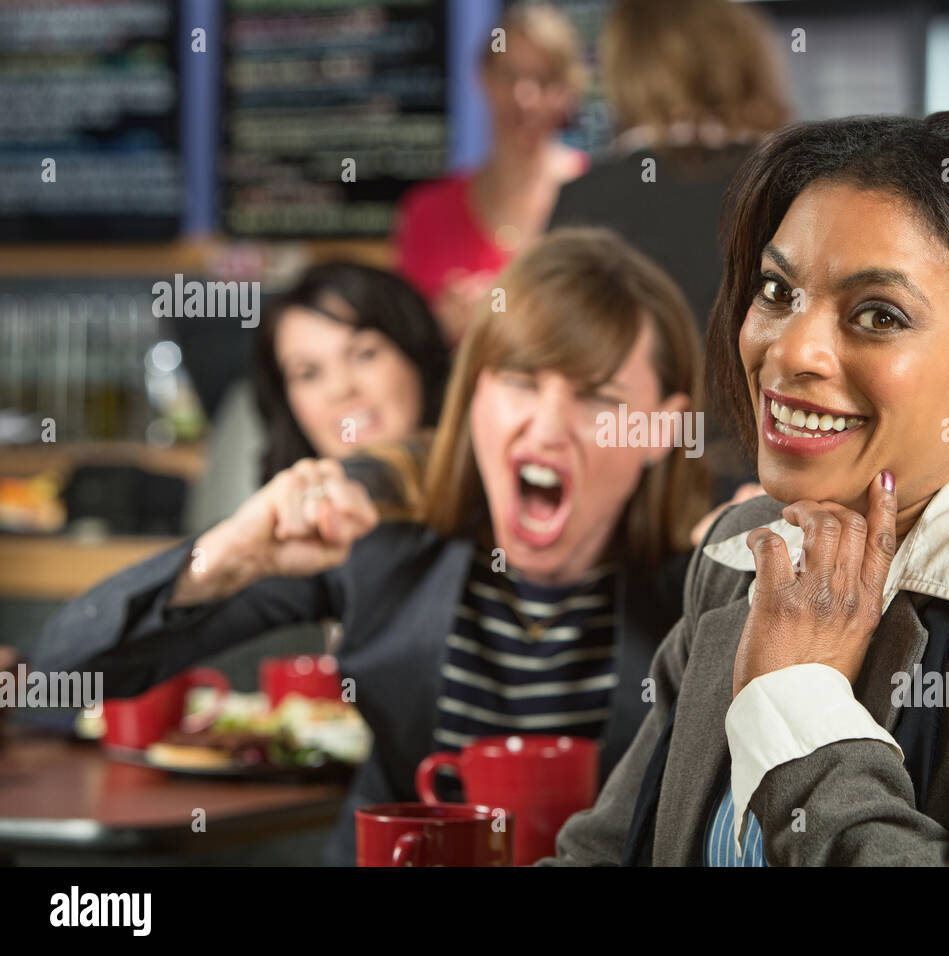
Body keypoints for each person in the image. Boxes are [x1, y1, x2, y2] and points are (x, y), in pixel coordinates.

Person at [540, 113, 949, 866]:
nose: (789, 350)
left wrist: (798, 700)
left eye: (878, 315)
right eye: (777, 290)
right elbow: (602, 853)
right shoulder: (743, 554)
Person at [26, 228, 711, 866]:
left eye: (597, 399)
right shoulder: (373, 526)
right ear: (475, 395)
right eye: (521, 383)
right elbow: (62, 675)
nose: (547, 426)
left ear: (660, 429)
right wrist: (221, 558)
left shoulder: (708, 582)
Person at [549, 0, 791, 502]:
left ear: (629, 69)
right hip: (785, 479)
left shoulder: (586, 201)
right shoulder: (806, 186)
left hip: (631, 488)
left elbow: (563, 361)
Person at [184, 261, 449, 532]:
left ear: (418, 358)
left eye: (364, 354)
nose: (340, 388)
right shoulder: (278, 544)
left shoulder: (484, 518)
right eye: (308, 373)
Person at [395, 2, 590, 346]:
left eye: (543, 80)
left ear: (569, 91)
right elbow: (401, 341)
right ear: (482, 78)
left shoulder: (602, 196)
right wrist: (436, 325)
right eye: (509, 75)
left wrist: (502, 317)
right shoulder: (428, 212)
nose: (524, 97)